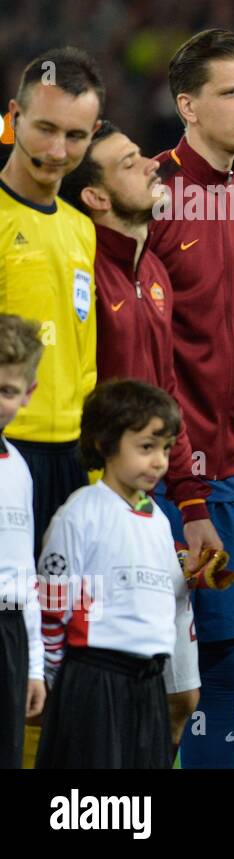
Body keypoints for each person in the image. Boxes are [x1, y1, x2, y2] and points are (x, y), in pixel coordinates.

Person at [62, 121, 234, 751]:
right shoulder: (82, 272)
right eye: (129, 163)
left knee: (180, 698)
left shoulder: (155, 274)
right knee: (104, 691)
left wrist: (192, 505)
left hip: (153, 503)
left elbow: (167, 398)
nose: (151, 166)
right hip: (99, 505)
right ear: (96, 196)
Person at [151, 28, 234, 768]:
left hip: (221, 473)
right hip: (154, 478)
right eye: (232, 92)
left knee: (225, 654)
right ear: (188, 106)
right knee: (148, 668)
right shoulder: (149, 195)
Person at [35, 380, 189, 768]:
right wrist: (55, 682)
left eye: (166, 449)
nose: (159, 461)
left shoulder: (158, 520)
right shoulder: (81, 513)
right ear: (105, 444)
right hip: (94, 681)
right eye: (146, 447)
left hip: (149, 684)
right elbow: (52, 606)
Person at [0, 47, 104, 552]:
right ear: (14, 117)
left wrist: (97, 466)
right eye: (45, 128)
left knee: (68, 600)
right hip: (8, 445)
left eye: (76, 135)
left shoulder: (82, 229)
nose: (59, 150)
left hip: (72, 457)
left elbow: (85, 359)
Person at [0, 315, 45, 768]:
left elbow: (25, 577)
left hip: (10, 636)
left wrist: (33, 666)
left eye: (8, 391)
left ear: (29, 394)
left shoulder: (18, 467)